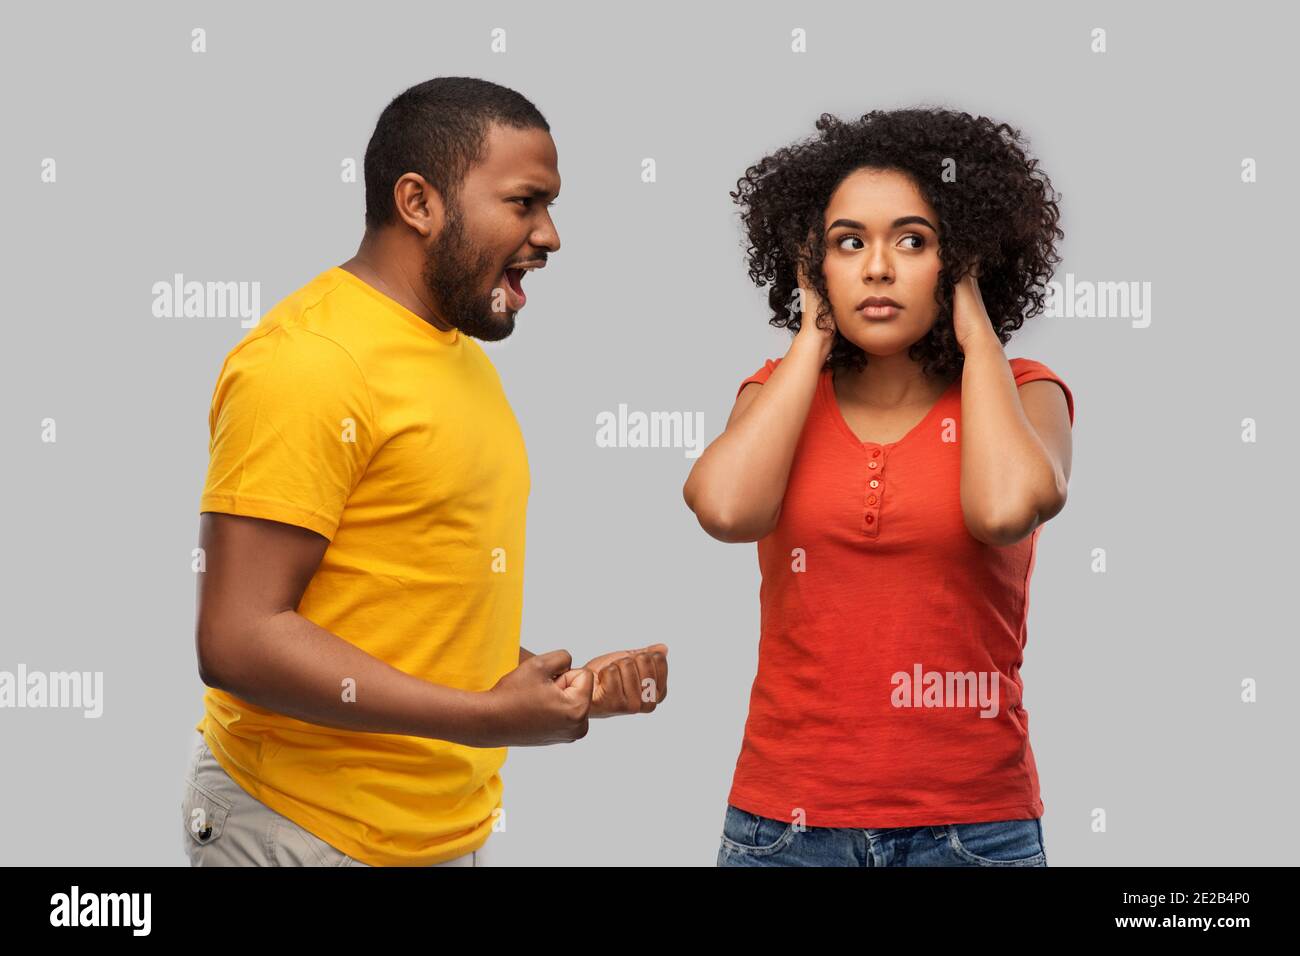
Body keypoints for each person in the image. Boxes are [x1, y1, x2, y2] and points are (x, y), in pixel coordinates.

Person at [184, 77, 668, 867]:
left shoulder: (458, 357)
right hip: (302, 832)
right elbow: (238, 638)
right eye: (525, 202)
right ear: (419, 202)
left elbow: (393, 599)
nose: (550, 236)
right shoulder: (310, 362)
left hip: (441, 836)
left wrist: (550, 687)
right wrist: (486, 718)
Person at [683, 107, 1074, 867]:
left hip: (974, 831)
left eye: (915, 241)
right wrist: (811, 337)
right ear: (812, 263)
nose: (877, 268)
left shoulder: (1027, 394)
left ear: (961, 257)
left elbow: (1001, 510)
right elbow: (726, 509)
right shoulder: (777, 393)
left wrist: (976, 331)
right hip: (783, 828)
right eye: (848, 243)